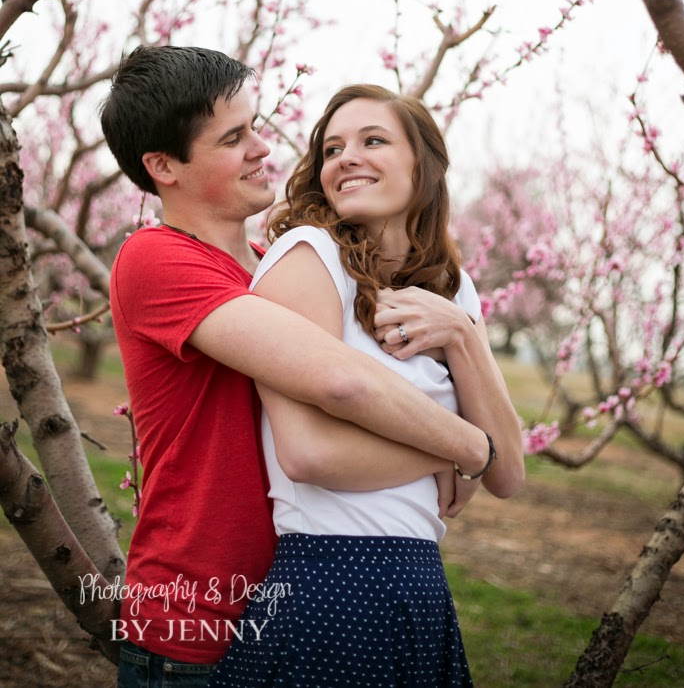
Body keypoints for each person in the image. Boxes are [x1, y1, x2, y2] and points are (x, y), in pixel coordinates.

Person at [99, 46, 522, 688]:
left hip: (290, 602)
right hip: (198, 621)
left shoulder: (281, 264)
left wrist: (461, 340)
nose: (264, 148)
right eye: (234, 137)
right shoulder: (157, 260)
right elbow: (339, 381)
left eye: (256, 126)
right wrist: (470, 447)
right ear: (164, 167)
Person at [208, 84, 524, 688]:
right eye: (331, 149)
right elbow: (309, 455)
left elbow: (509, 474)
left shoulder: (454, 293)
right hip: (329, 576)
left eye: (372, 140)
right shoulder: (307, 255)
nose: (345, 158)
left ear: (422, 164)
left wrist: (461, 335)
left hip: (421, 583)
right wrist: (459, 449)